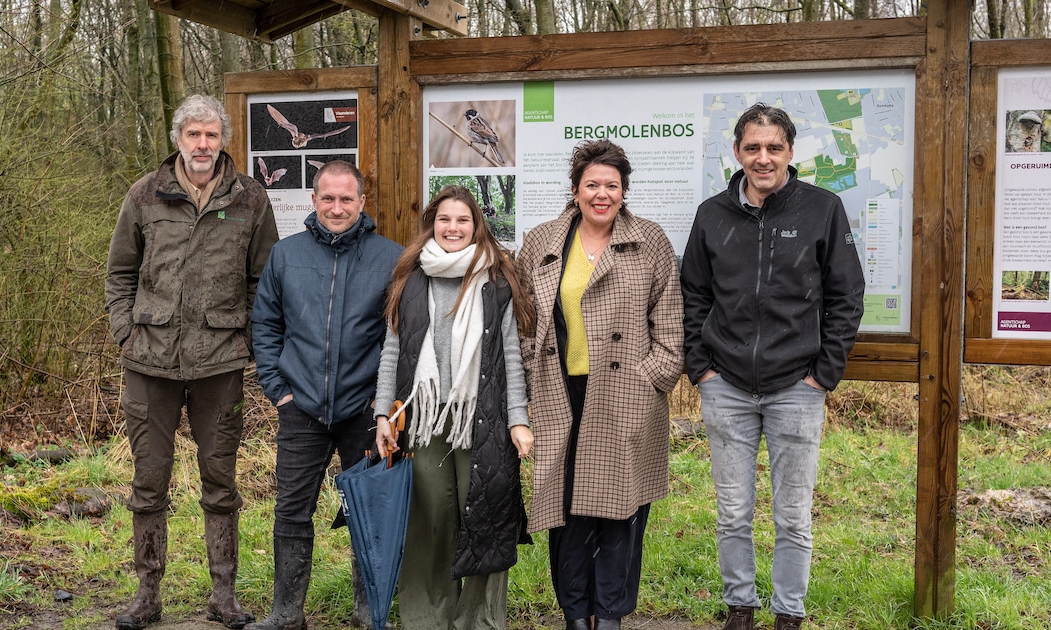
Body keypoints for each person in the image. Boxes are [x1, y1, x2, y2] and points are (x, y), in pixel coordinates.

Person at [680, 103, 865, 630]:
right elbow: (692, 293)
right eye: (753, 147)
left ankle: (788, 614)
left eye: (774, 147)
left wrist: (822, 374)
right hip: (726, 387)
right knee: (733, 512)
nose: (763, 158)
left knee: (792, 515)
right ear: (737, 152)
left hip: (797, 388)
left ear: (790, 151)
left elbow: (847, 294)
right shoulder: (712, 214)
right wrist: (702, 368)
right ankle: (740, 607)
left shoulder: (821, 209)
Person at [105, 94, 279, 630]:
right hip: (149, 362)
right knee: (148, 480)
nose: (202, 145)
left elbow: (263, 282)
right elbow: (119, 274)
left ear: (224, 139)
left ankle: (223, 595)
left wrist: (245, 342)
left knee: (221, 481)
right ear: (178, 138)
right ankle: (147, 594)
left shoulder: (250, 199)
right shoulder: (144, 195)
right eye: (192, 135)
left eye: (211, 135)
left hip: (219, 365)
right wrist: (125, 335)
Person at [515, 140, 685, 630]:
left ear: (625, 191)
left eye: (612, 185)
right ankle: (574, 612)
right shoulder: (543, 241)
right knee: (565, 508)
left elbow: (670, 323)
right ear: (575, 190)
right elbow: (525, 319)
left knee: (620, 509)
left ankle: (609, 613)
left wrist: (653, 378)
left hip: (625, 394)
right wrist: (528, 379)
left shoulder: (650, 240)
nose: (602, 194)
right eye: (592, 184)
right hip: (558, 392)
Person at [371, 185, 535, 629]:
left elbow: (510, 354)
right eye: (445, 219)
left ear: (476, 226)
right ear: (432, 223)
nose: (453, 228)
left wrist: (518, 419)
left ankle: (479, 620)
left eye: (463, 220)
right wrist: (383, 413)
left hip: (481, 419)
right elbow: (392, 350)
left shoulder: (496, 279)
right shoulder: (410, 276)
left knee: (484, 513)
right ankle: (427, 618)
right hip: (423, 420)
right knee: (431, 519)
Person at [248, 160, 403, 630]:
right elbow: (266, 326)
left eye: (347, 199)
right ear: (313, 201)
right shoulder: (285, 255)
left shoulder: (390, 258)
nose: (337, 208)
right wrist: (279, 391)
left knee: (367, 515)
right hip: (302, 410)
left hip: (364, 412)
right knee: (292, 510)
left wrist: (382, 406)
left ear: (362, 203)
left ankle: (367, 611)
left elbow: (397, 336)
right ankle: (287, 612)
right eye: (328, 198)